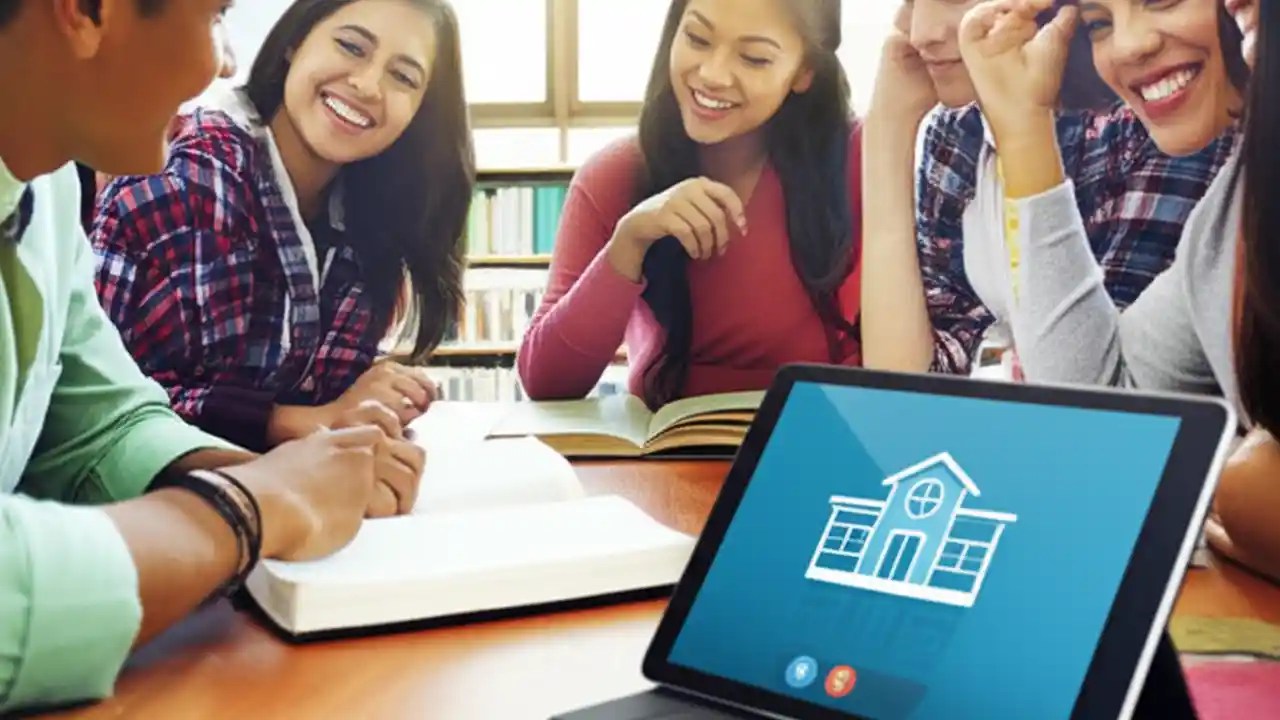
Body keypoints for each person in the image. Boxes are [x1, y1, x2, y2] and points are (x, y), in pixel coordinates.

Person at [0, 0, 423, 713]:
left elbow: (104, 422)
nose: (226, 64)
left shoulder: (48, 187)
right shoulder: (180, 176)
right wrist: (248, 508)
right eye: (216, 16)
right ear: (87, 10)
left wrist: (286, 476)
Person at [960, 0, 1278, 577]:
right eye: (1098, 24)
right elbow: (1102, 417)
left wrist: (1244, 494)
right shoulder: (1226, 218)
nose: (1129, 46)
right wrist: (1024, 128)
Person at [91, 0, 472, 451]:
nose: (368, 85)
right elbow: (100, 409)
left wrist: (367, 394)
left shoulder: (369, 217)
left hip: (306, 488)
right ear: (295, 41)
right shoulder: (187, 183)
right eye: (351, 47)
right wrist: (306, 421)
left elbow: (316, 389)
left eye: (403, 77)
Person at [859, 0, 1241, 378]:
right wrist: (886, 134)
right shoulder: (957, 133)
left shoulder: (1154, 119)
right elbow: (913, 385)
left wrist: (1023, 129)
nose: (921, 34)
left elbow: (1101, 393)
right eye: (910, 1)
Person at [516, 0, 862, 408]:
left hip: (816, 436)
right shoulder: (615, 175)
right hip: (666, 444)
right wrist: (629, 243)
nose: (712, 75)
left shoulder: (857, 160)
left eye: (754, 58)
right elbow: (545, 381)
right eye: (697, 38)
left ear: (805, 72)